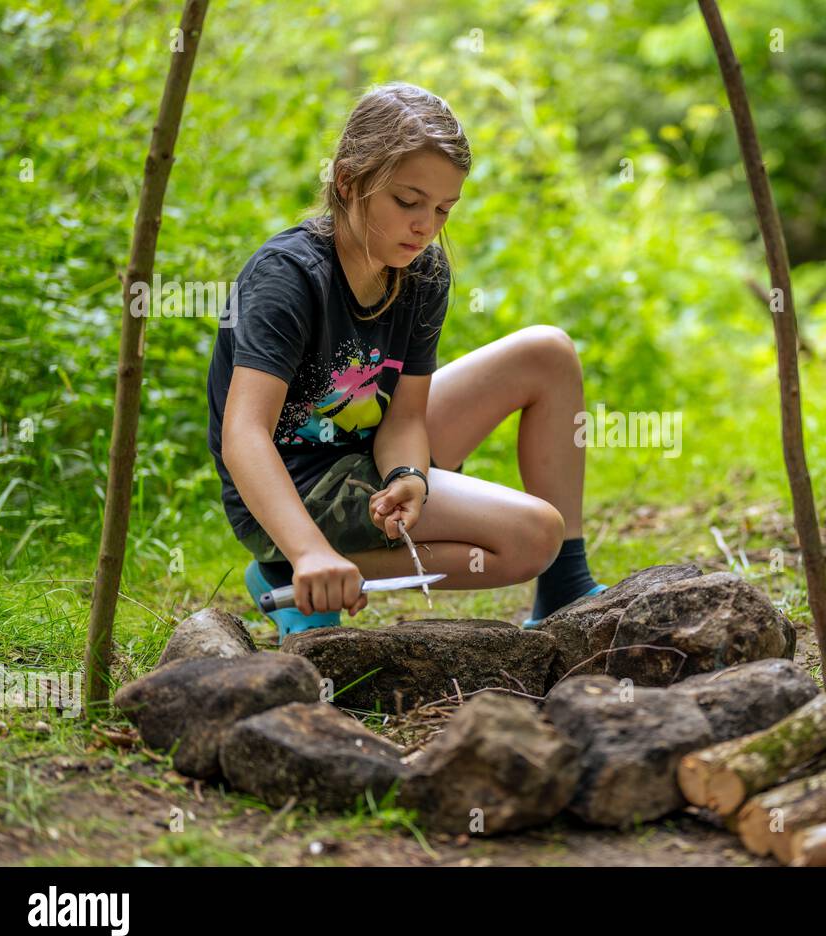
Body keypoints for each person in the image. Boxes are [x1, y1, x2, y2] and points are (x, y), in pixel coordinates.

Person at [205, 82, 606, 641]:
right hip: (294, 488)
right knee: (533, 535)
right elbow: (244, 434)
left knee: (547, 353)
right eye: (408, 201)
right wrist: (309, 549)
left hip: (368, 452)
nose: (426, 226)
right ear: (348, 181)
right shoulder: (288, 276)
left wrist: (408, 476)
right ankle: (297, 569)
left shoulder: (423, 273)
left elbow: (406, 417)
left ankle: (565, 586)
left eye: (444, 209)